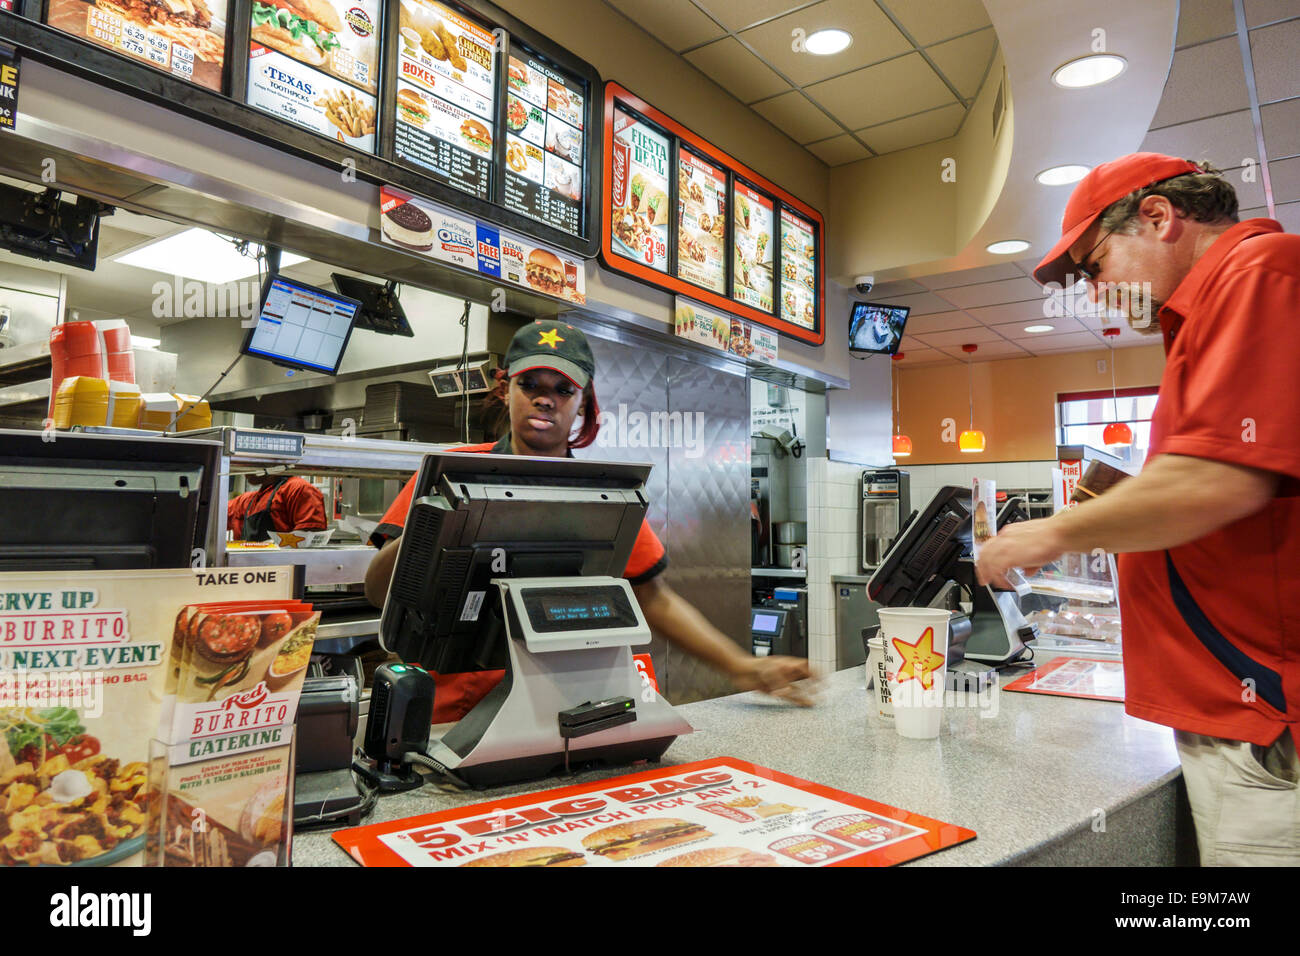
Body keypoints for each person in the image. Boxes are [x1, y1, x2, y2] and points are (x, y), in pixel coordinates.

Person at [974, 153, 1300, 866]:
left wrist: (1046, 534)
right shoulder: (1209, 310)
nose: (1094, 294)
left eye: (1094, 268)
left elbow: (1218, 482)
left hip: (1269, 718)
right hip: (1238, 709)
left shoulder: (1261, 272)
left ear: (1158, 216)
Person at [366, 319, 815, 722]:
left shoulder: (602, 491)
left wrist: (744, 666)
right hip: (454, 712)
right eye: (530, 385)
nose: (546, 400)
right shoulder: (452, 473)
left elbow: (655, 600)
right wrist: (433, 526)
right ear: (506, 390)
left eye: (563, 390)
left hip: (564, 707)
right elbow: (376, 591)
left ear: (582, 403)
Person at [227, 473, 327, 541]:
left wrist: (269, 546)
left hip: (283, 568)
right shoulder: (245, 500)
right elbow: (214, 515)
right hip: (250, 567)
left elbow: (310, 537)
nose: (245, 470)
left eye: (249, 461)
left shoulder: (297, 488)